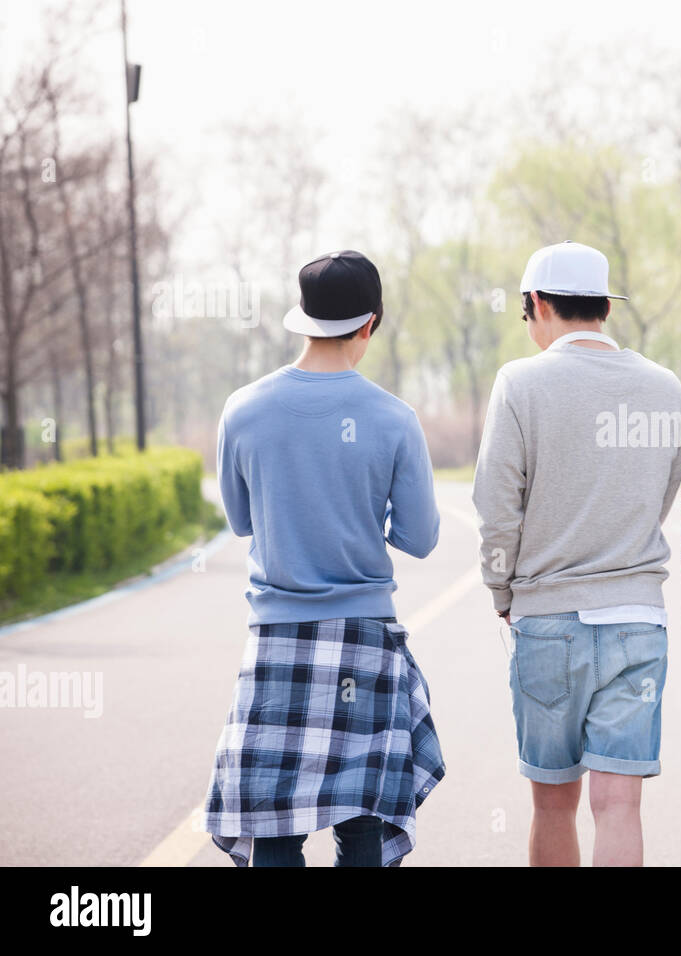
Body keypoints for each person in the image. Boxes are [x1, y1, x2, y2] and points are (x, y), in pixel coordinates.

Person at [202, 249, 445, 867]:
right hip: (363, 643)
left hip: (276, 641)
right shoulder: (394, 418)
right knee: (362, 824)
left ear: (302, 320)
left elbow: (240, 519)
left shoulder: (243, 409)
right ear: (371, 324)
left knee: (274, 824)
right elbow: (420, 537)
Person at [473, 240, 681, 867]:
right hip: (636, 620)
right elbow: (663, 490)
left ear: (537, 304)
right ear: (604, 307)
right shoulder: (663, 385)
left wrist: (502, 592)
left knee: (552, 806)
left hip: (548, 621)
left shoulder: (520, 382)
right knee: (619, 806)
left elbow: (495, 509)